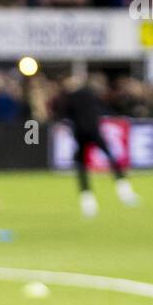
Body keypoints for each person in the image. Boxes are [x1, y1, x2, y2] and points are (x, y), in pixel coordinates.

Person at [59, 73, 138, 218]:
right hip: (94, 132)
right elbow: (102, 108)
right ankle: (124, 191)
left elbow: (65, 116)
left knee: (82, 167)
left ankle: (87, 200)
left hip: (80, 135)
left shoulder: (70, 98)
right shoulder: (89, 94)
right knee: (110, 158)